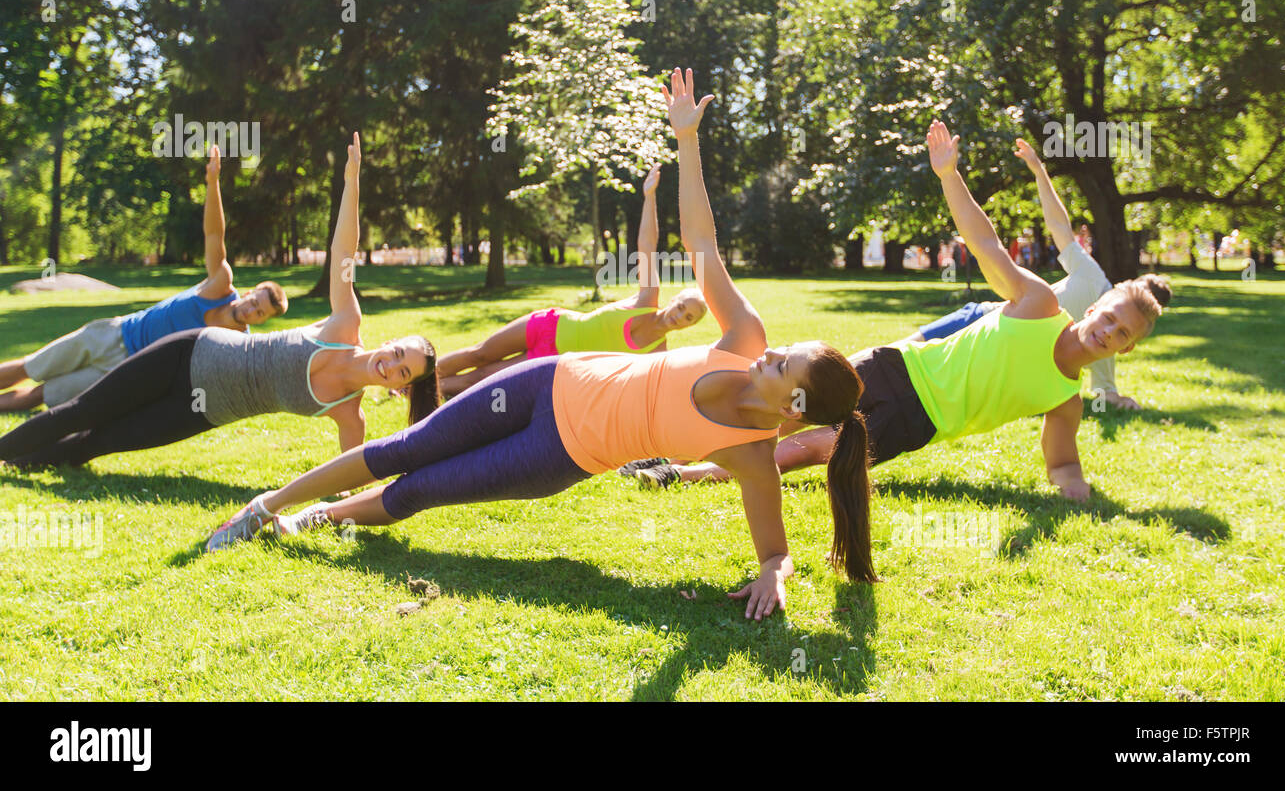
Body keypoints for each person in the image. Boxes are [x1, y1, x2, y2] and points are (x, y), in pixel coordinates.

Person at [204, 68, 874, 621]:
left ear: (793, 400)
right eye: (779, 349)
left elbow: (773, 550)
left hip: (557, 452)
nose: (767, 352)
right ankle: (262, 507)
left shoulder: (752, 455)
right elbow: (701, 244)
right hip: (547, 380)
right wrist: (687, 143)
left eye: (782, 363)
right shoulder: (744, 336)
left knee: (420, 491)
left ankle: (320, 518)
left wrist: (775, 575)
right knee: (402, 450)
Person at [626, 122, 1171, 503]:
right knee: (789, 408)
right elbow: (986, 247)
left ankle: (685, 474)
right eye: (1109, 316)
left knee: (814, 448)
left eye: (1121, 333)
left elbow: (1062, 463)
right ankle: (669, 448)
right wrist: (948, 175)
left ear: (1126, 348)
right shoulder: (1040, 304)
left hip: (921, 421)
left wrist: (1077, 492)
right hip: (898, 364)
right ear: (1095, 303)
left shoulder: (1065, 400)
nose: (1107, 330)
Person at [0, 134, 438, 468]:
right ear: (391, 341)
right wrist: (352, 180)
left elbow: (348, 472)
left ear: (400, 387)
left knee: (100, 443)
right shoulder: (345, 325)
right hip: (189, 352)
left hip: (202, 411)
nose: (390, 364)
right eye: (398, 352)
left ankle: (18, 463)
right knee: (81, 412)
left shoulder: (349, 415)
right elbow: (345, 251)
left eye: (402, 371)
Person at [0, 147, 288, 413]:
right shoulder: (220, 286)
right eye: (254, 300)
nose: (251, 309)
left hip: (123, 372)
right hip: (112, 335)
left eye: (259, 312)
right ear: (250, 291)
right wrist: (213, 183)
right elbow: (214, 236)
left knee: (44, 394)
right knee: (29, 366)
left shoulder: (236, 342)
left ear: (262, 321)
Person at [905, 138, 1169, 410]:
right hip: (984, 320)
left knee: (917, 388)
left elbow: (1104, 393)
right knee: (896, 357)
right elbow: (1058, 226)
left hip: (996, 360)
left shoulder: (1105, 339)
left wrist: (1122, 401)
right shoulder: (1094, 284)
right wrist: (1039, 171)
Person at [435, 163, 707, 398]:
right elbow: (647, 244)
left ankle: (418, 390)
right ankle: (417, 374)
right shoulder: (647, 298)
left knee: (481, 378)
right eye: (683, 306)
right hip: (550, 324)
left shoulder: (655, 353)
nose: (680, 315)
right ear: (674, 300)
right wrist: (649, 197)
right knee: (479, 354)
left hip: (550, 361)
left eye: (689, 317)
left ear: (689, 327)